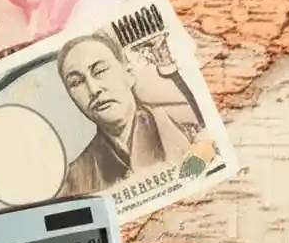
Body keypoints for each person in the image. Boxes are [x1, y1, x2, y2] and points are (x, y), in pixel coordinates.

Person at [57, 33, 192, 194]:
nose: (93, 90)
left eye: (99, 71)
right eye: (76, 82)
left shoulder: (188, 133)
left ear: (129, 73)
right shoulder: (75, 180)